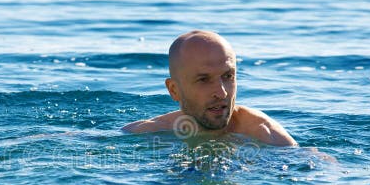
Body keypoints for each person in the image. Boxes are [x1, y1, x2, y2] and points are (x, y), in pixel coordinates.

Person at [122, 30, 297, 146]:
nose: (222, 93)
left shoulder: (264, 134)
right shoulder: (147, 133)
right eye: (204, 79)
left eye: (228, 76)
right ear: (174, 90)